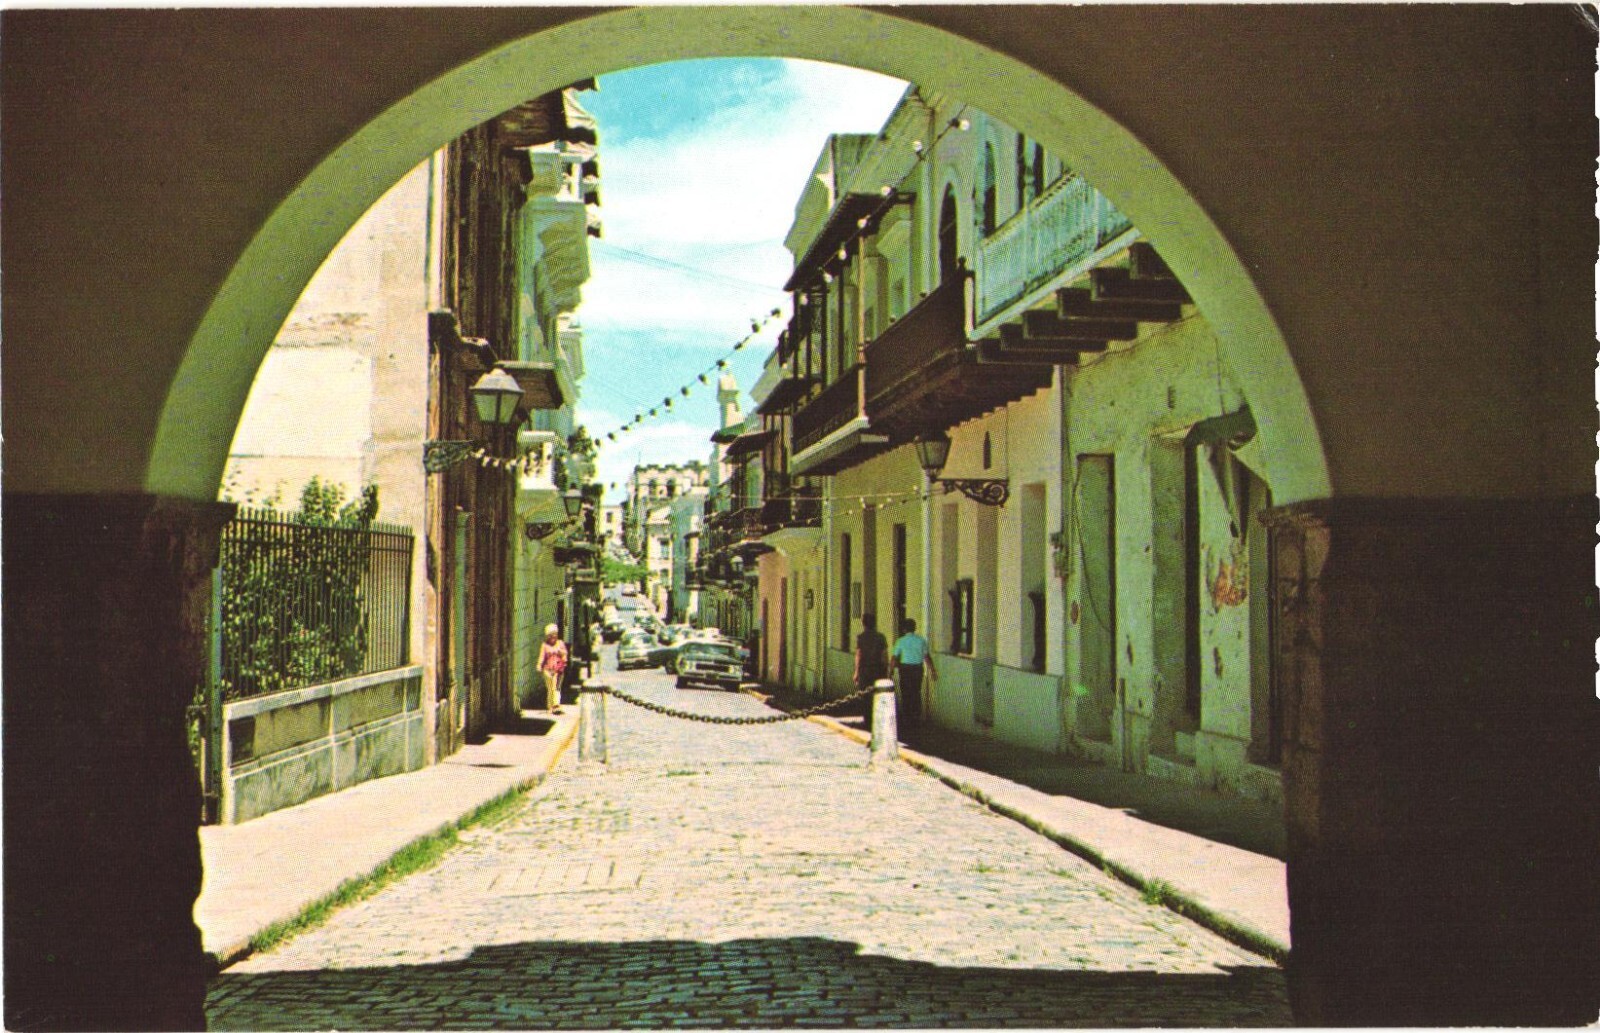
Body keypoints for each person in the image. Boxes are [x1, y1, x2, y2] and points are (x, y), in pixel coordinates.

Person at [891, 617, 936, 725]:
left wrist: (890, 672)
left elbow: (894, 658)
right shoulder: (921, 640)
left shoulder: (900, 641)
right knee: (916, 692)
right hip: (917, 669)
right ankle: (916, 716)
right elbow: (927, 657)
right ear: (914, 628)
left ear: (904, 629)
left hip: (905, 669)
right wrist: (933, 671)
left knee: (906, 693)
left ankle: (907, 717)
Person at [853, 612, 889, 705]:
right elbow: (884, 655)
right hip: (878, 669)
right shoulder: (881, 637)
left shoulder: (860, 637)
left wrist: (856, 672)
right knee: (878, 694)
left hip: (864, 670)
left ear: (863, 623)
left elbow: (858, 655)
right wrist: (886, 669)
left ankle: (867, 716)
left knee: (864, 695)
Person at [537, 623, 568, 715]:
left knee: (556, 687)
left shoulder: (560, 643)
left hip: (558, 670)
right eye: (551, 635)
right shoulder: (545, 645)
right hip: (548, 669)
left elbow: (565, 654)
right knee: (550, 688)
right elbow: (542, 656)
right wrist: (539, 665)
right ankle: (550, 706)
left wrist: (563, 658)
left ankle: (556, 705)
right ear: (548, 636)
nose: (553, 637)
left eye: (555, 634)